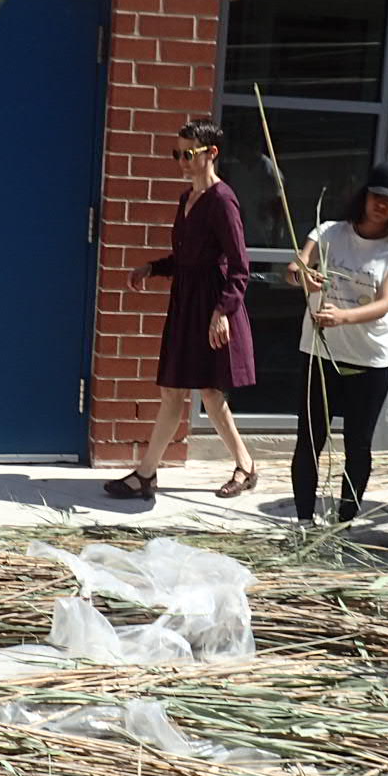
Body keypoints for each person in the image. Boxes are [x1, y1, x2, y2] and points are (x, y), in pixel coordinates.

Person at [104, 120, 259, 503]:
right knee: (174, 390)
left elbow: (240, 266)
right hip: (186, 302)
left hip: (211, 305)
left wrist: (222, 311)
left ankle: (246, 466)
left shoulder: (223, 200)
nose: (181, 161)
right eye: (178, 154)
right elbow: (187, 258)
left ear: (211, 153)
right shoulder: (186, 198)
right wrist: (153, 268)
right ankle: (146, 475)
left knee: (210, 392)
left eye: (188, 154)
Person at [286, 159, 388, 523]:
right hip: (319, 352)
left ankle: (345, 522)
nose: (382, 204)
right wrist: (303, 277)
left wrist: (343, 317)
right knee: (309, 439)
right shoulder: (329, 231)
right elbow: (295, 268)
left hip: (369, 360)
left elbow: (385, 303)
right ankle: (304, 521)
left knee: (358, 445)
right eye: (378, 195)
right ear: (365, 194)